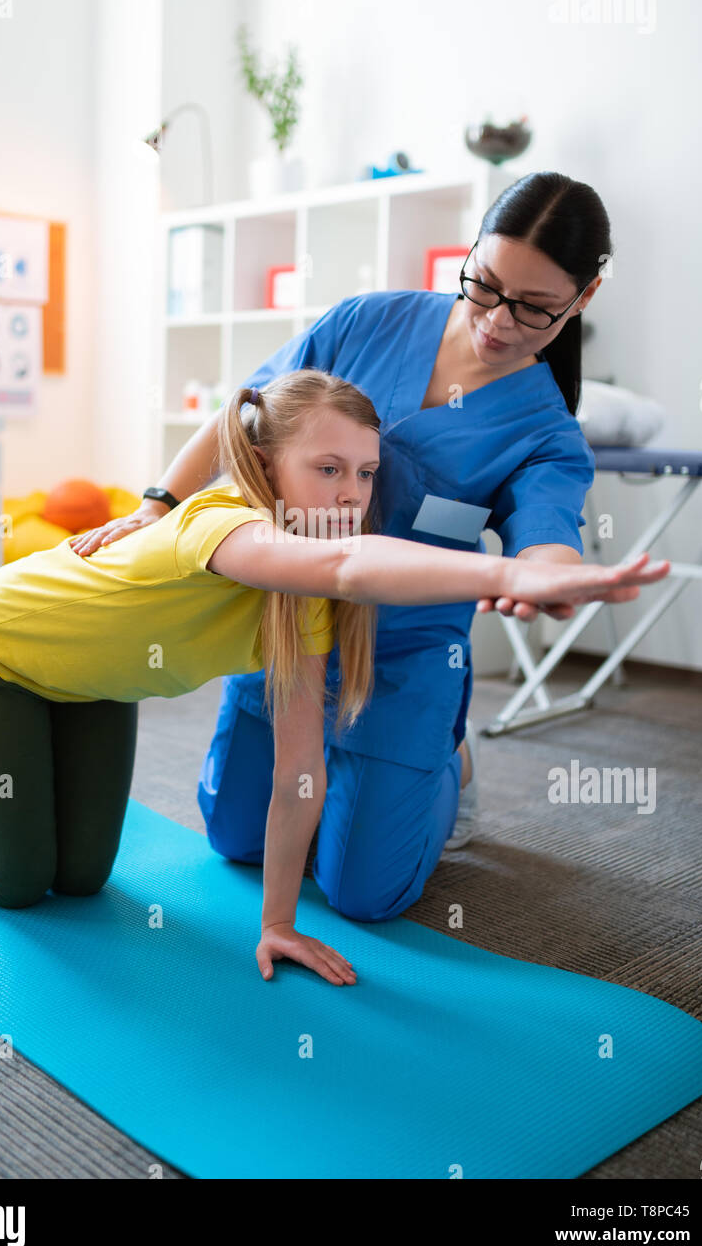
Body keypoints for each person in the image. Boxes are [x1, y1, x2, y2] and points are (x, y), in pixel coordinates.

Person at [0, 366, 670, 984]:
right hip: (8, 648)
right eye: (328, 469)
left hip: (97, 684)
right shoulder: (223, 521)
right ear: (265, 463)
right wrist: (512, 576)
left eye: (364, 474)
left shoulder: (309, 602)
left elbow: (301, 772)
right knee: (14, 882)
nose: (352, 495)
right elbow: (351, 562)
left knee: (80, 880)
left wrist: (277, 922)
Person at [69, 171, 616, 917]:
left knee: (363, 893)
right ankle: (358, 768)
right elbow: (247, 410)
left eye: (534, 309)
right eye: (483, 285)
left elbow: (547, 537)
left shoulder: (545, 433)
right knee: (236, 840)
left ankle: (441, 761)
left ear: (582, 300)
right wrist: (159, 505)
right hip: (294, 627)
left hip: (403, 654)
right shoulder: (370, 321)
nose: (496, 320)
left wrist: (551, 580)